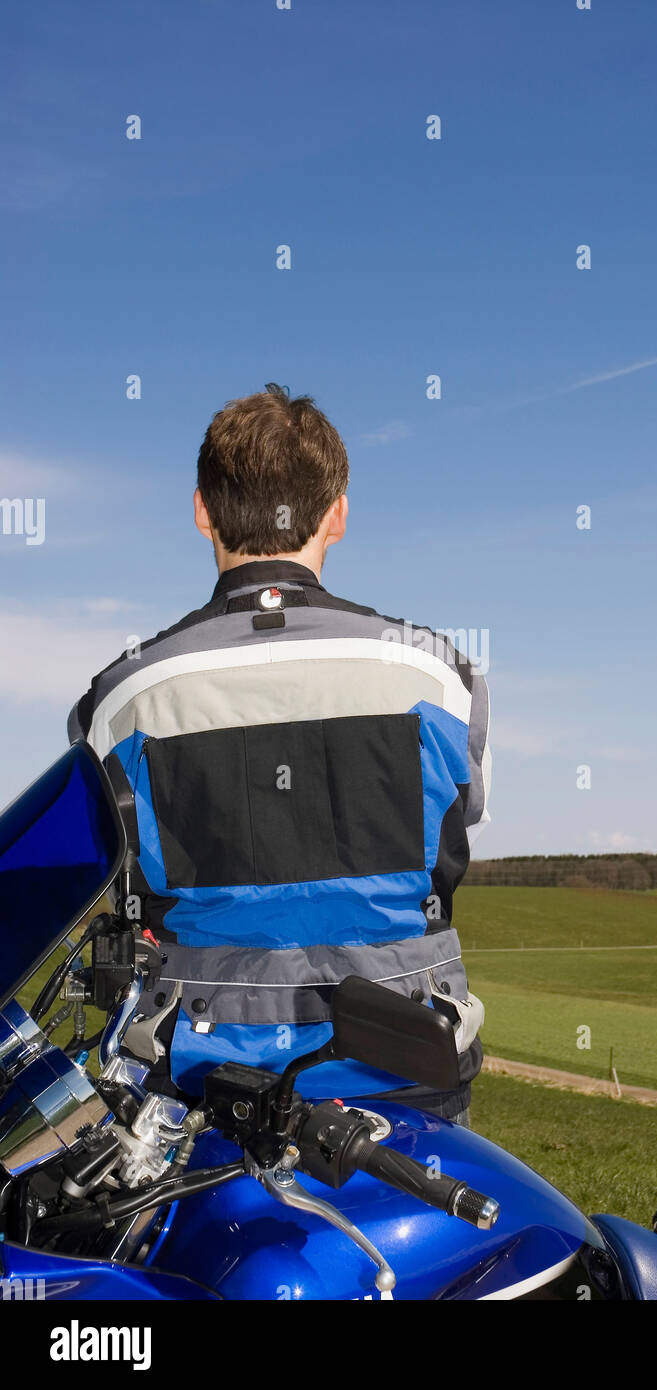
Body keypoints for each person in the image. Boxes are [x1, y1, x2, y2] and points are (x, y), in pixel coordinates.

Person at [68, 385, 491, 1125]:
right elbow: (451, 846)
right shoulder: (440, 676)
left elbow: (110, 875)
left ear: (203, 509)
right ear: (337, 514)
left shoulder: (119, 697)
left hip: (199, 1081)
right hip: (408, 1073)